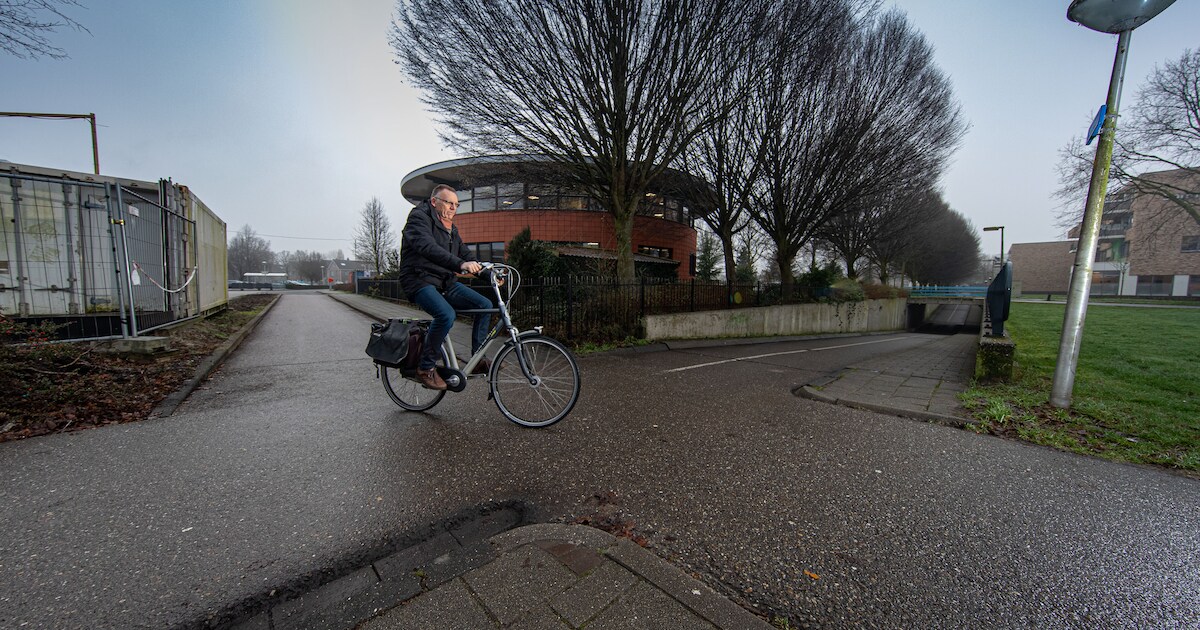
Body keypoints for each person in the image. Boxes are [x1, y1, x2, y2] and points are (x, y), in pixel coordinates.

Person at [399, 184, 494, 390]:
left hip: (444, 281)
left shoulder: (451, 228)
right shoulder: (418, 218)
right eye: (449, 203)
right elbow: (427, 247)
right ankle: (425, 368)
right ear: (434, 202)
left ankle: (477, 360)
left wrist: (490, 275)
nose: (453, 208)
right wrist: (460, 265)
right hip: (419, 279)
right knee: (446, 315)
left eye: (456, 204)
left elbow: (465, 255)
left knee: (484, 305)